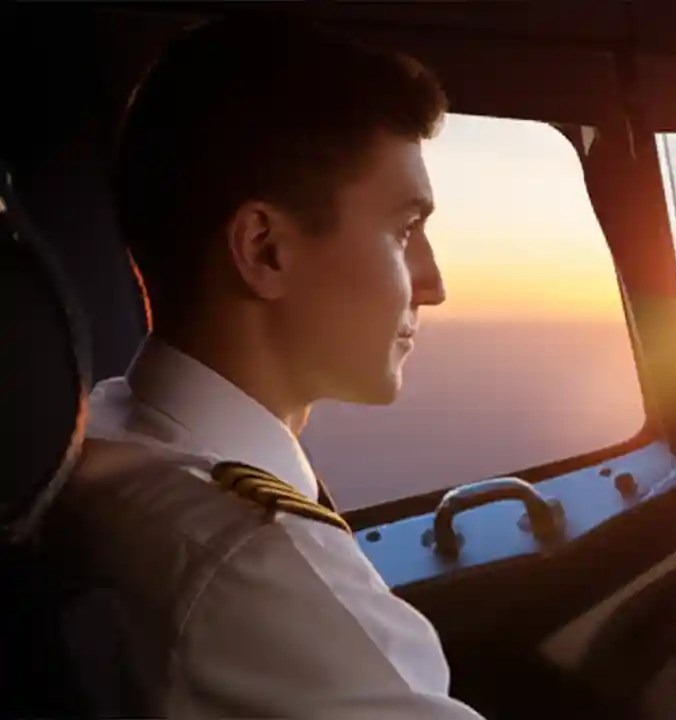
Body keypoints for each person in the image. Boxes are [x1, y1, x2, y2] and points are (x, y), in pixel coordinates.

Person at [42, 16, 484, 720]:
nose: (431, 284)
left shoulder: (114, 426)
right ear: (265, 250)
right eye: (404, 232)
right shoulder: (256, 566)